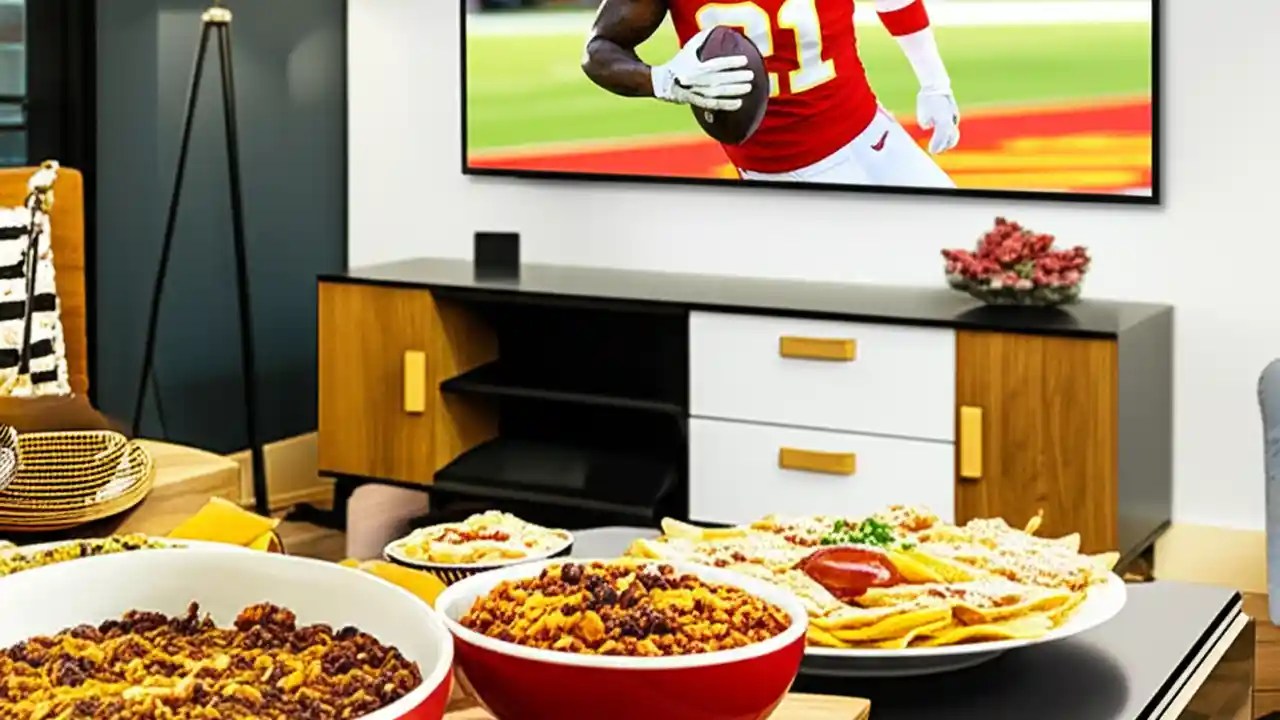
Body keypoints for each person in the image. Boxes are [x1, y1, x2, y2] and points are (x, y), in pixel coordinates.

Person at [581, 0, 960, 187]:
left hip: (871, 131)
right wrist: (661, 81)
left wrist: (934, 81)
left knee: (965, 248)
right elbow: (599, 50)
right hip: (781, 169)